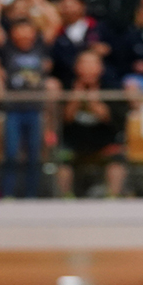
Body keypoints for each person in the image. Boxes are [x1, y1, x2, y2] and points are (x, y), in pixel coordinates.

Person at [0, 15, 55, 198]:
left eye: (27, 30)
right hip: (13, 110)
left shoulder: (40, 48)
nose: (24, 34)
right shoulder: (8, 49)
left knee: (34, 155)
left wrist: (38, 1)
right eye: (20, 30)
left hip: (35, 109)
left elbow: (54, 22)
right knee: (10, 154)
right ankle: (7, 193)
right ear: (13, 33)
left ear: (34, 33)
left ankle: (31, 195)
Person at [57, 50, 127, 198]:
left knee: (117, 160)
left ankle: (112, 198)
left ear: (101, 68)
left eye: (93, 63)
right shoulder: (66, 87)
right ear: (76, 67)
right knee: (62, 161)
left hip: (103, 139)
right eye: (84, 63)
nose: (88, 67)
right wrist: (75, 98)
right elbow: (66, 119)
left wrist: (94, 102)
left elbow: (111, 120)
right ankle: (65, 198)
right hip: (74, 140)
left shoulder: (111, 88)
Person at [48, 0, 108, 89]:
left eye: (71, 4)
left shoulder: (99, 28)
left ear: (82, 5)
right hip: (67, 80)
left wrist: (105, 49)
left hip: (101, 81)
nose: (67, 8)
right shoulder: (57, 34)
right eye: (64, 4)